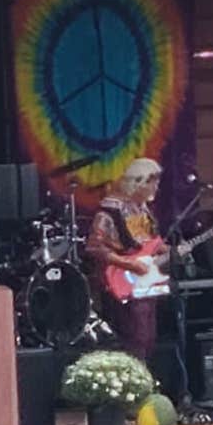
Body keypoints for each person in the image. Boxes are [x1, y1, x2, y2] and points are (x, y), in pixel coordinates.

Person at [82, 157, 168, 367]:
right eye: (151, 182)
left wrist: (164, 250)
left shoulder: (144, 210)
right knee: (134, 336)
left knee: (148, 336)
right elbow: (94, 247)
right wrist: (127, 264)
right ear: (138, 182)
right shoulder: (110, 211)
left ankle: (143, 375)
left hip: (146, 281)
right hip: (123, 281)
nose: (156, 187)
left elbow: (149, 243)